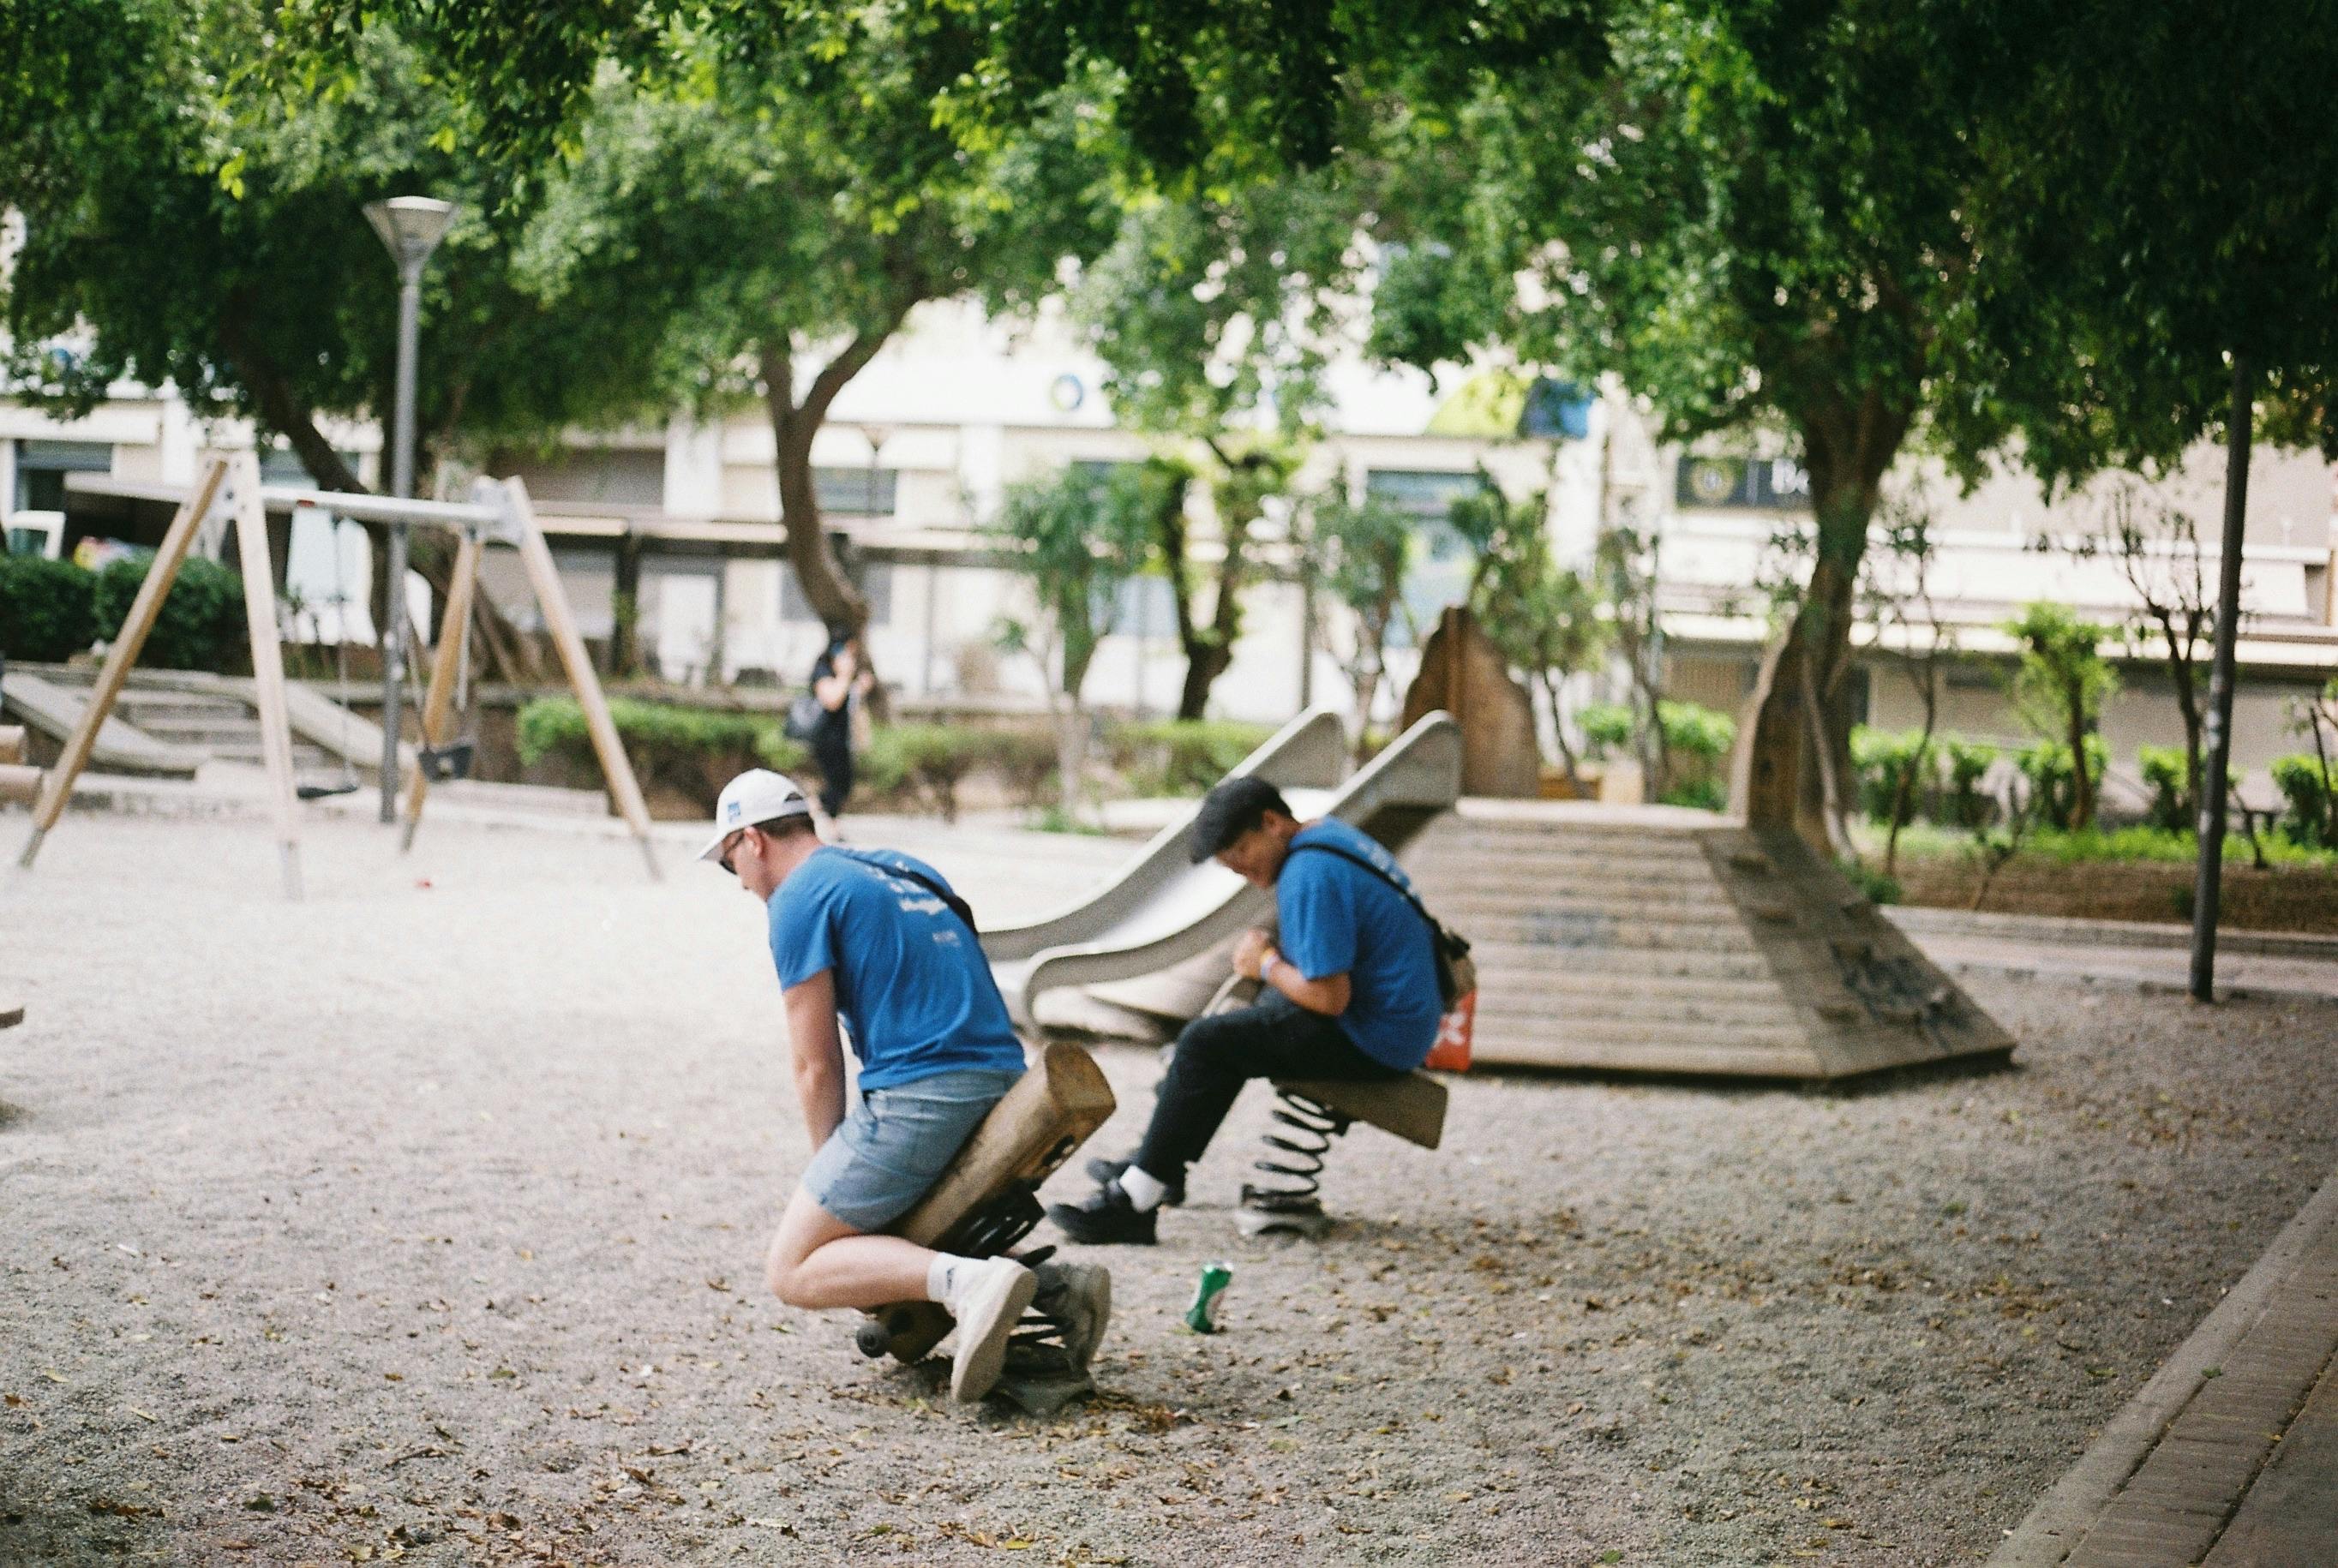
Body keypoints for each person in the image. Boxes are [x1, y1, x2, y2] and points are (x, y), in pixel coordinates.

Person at [706, 768, 1106, 1401]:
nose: (741, 885)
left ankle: (972, 1287)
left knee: (794, 1268)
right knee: (898, 1214)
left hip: (924, 1092)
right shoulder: (905, 867)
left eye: (731, 864)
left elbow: (815, 1064)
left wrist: (831, 1167)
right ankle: (1061, 1292)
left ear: (752, 841)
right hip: (1003, 1077)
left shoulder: (798, 897)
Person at [1046, 775, 1443, 1245]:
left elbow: (1330, 997)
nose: (1236, 869)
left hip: (1376, 1037)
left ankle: (1135, 1200)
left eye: (1239, 851)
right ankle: (1158, 1162)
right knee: (1230, 1032)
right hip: (1400, 1019)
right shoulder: (1328, 835)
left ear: (1272, 822)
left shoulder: (1309, 873)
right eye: (1226, 861)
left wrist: (1266, 963)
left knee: (1204, 1042)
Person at [806, 629, 875, 819]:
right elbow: (832, 700)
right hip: (826, 738)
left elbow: (850, 702)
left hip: (843, 737)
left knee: (843, 784)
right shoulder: (824, 670)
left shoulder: (844, 670)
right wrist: (844, 675)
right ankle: (807, 809)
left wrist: (861, 687)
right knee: (835, 785)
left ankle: (833, 827)